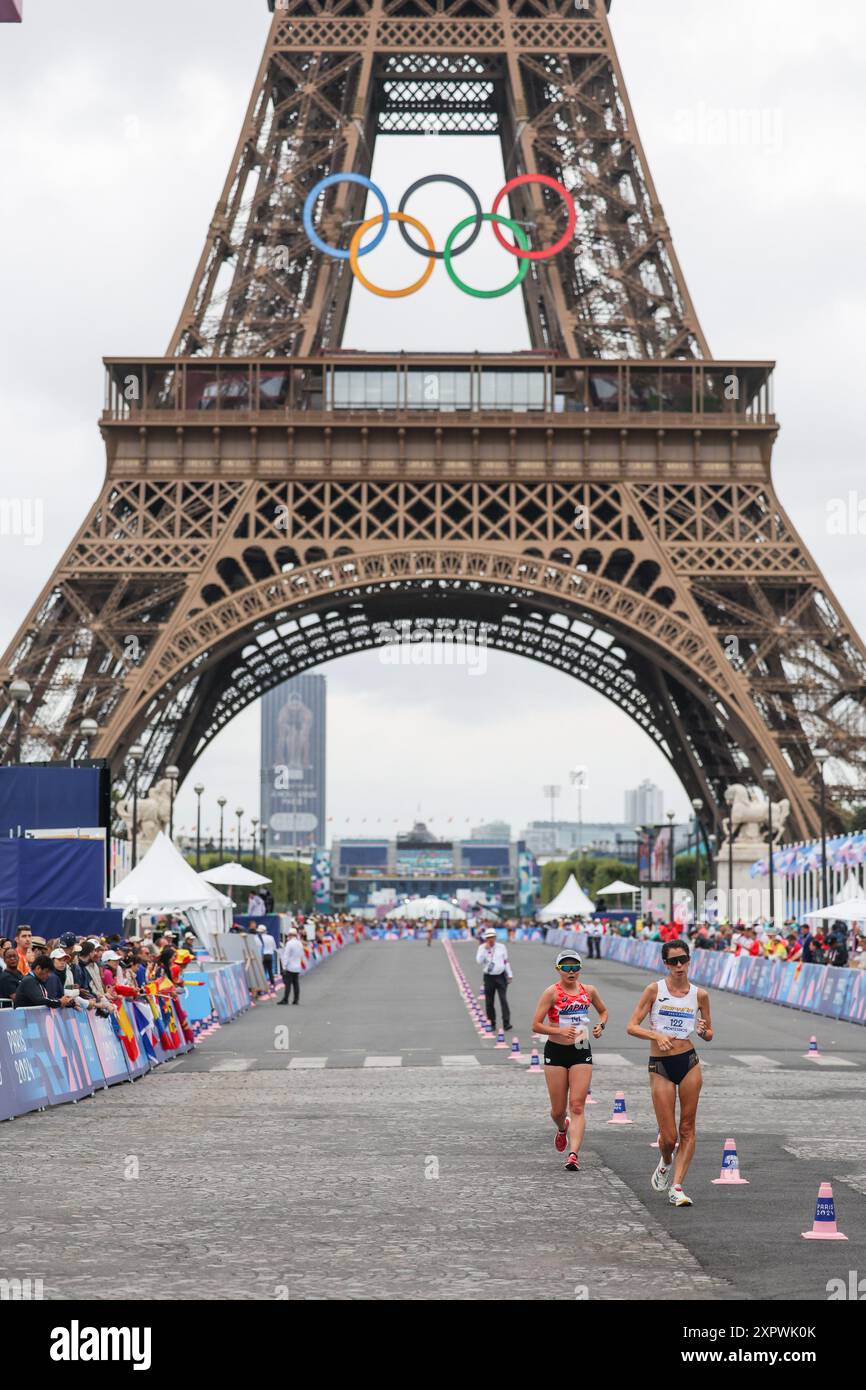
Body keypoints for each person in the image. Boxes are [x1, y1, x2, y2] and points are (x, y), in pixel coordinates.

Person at [626, 940, 713, 1207]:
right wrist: (656, 1034)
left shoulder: (700, 995)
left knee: (687, 1128)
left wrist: (702, 1032)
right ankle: (665, 1161)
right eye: (673, 961)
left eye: (683, 960)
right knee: (669, 1137)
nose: (678, 966)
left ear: (689, 960)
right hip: (660, 1065)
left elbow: (709, 1033)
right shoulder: (654, 990)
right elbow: (631, 1026)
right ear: (665, 963)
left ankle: (677, 1186)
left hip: (688, 1061)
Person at [531, 949, 608, 1172]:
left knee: (576, 1105)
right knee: (558, 1110)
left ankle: (573, 1154)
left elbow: (603, 1012)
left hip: (581, 1047)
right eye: (566, 967)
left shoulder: (589, 991)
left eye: (575, 967)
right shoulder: (551, 993)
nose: (571, 971)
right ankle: (562, 1127)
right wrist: (560, 1030)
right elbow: (536, 1024)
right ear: (558, 970)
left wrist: (600, 1025)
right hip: (555, 1049)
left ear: (580, 969)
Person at [475, 927, 513, 1033]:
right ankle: (492, 1023)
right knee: (489, 1001)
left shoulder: (501, 947)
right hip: (489, 977)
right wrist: (485, 950)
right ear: (486, 938)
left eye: (492, 937)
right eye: (488, 937)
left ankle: (506, 1023)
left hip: (501, 976)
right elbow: (478, 961)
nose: (491, 939)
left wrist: (509, 974)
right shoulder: (482, 947)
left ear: (495, 937)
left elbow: (506, 961)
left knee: (503, 1000)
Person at [279, 927, 303, 1005]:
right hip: (297, 966)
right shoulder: (299, 943)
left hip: (290, 966)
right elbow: (301, 954)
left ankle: (285, 999)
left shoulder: (289, 943)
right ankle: (296, 999)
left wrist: (284, 967)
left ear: (289, 935)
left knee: (288, 984)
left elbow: (286, 956)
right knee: (296, 984)